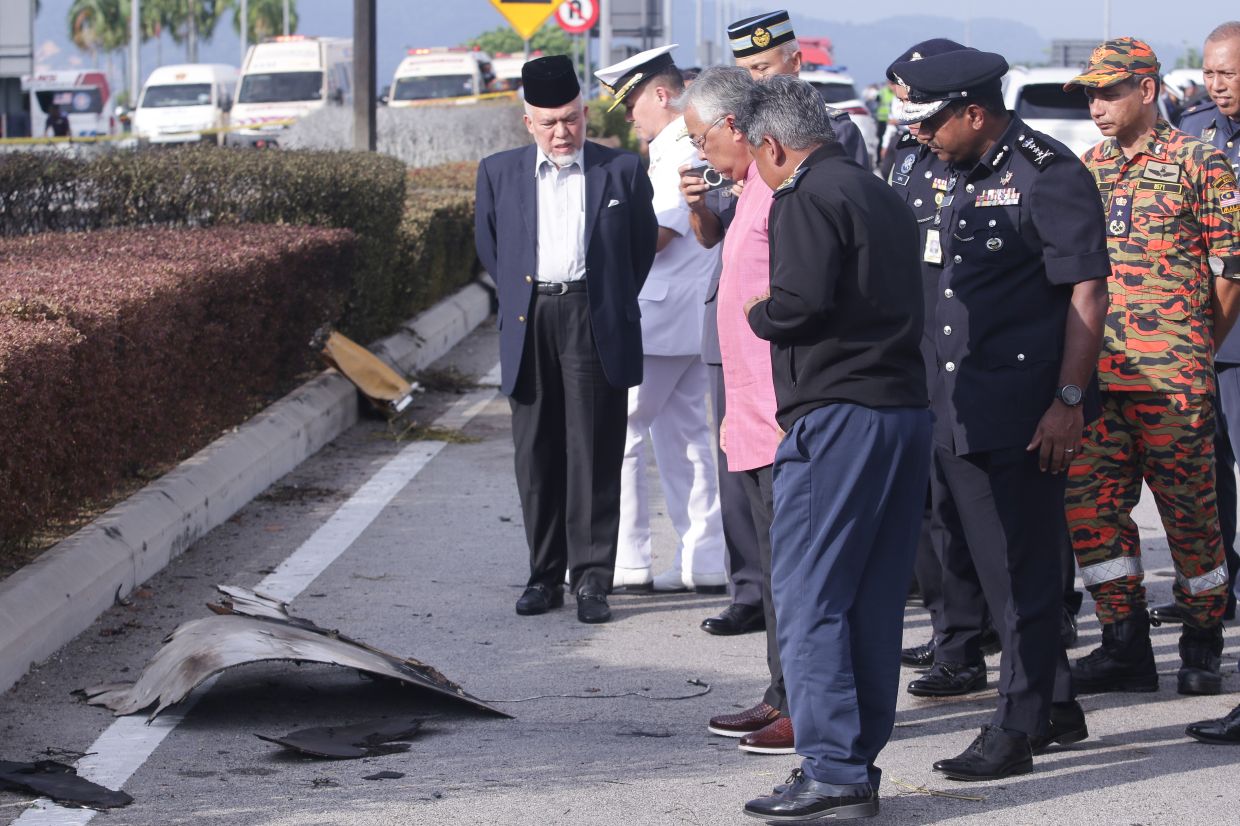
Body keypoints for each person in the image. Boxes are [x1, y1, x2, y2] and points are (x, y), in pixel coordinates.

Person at [891, 46, 1111, 781]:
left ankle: (1015, 725)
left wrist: (1069, 402)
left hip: (1019, 411)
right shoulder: (925, 167)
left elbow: (1086, 296)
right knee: (985, 568)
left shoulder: (1047, 173)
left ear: (973, 111)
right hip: (943, 403)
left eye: (931, 120)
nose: (918, 132)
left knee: (1021, 575)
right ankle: (1054, 704)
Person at [738, 75, 931, 821]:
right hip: (900, 412)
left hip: (841, 416)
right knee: (873, 598)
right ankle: (854, 762)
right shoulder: (879, 190)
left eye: (757, 155)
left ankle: (832, 768)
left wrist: (761, 311)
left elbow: (800, 304)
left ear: (774, 146)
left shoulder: (804, 196)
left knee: (811, 594)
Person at [1063, 38, 1240, 696]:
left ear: (1147, 89)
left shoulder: (1201, 163)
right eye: (1090, 94)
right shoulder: (1088, 168)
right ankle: (1124, 643)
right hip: (1101, 383)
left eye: (1109, 91)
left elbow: (1232, 270)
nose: (1097, 105)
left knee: (1192, 517)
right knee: (1094, 514)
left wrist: (1193, 345)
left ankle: (1201, 642)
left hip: (1173, 384)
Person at [473, 55, 658, 624]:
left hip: (591, 316)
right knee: (537, 455)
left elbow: (639, 250)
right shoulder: (498, 173)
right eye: (549, 122)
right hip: (530, 318)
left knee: (595, 450)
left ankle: (592, 581)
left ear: (584, 114)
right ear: (527, 121)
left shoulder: (621, 171)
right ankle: (543, 576)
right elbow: (490, 249)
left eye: (572, 119)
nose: (562, 132)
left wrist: (602, 299)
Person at [882, 39, 1005, 694]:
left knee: (1000, 517)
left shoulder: (1002, 171)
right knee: (935, 513)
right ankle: (955, 642)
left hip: (990, 371)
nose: (915, 119)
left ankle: (1030, 647)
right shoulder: (910, 165)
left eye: (924, 103)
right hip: (926, 365)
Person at [678, 66, 793, 755]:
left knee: (795, 574)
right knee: (774, 567)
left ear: (733, 127)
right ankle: (780, 691)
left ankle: (801, 702)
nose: (697, 151)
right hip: (749, 411)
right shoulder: (745, 189)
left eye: (700, 137)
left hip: (783, 416)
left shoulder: (781, 193)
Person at [594, 46, 728, 593]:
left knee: (621, 432)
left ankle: (628, 560)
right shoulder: (679, 145)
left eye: (632, 103)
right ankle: (704, 561)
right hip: (687, 316)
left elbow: (660, 234)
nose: (629, 117)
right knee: (688, 438)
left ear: (662, 94)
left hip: (663, 317)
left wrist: (595, 249)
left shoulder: (677, 148)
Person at [1173, 21, 1240, 631]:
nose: (1217, 86)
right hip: (1204, 333)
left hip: (1231, 338)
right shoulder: (1194, 132)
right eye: (1211, 73)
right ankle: (1218, 587)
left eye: (1230, 73)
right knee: (1205, 468)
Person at [725, 9, 870, 170]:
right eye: (744, 72)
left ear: (795, 61)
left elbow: (854, 192)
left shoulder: (833, 131)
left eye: (761, 68)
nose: (752, 79)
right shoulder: (735, 133)